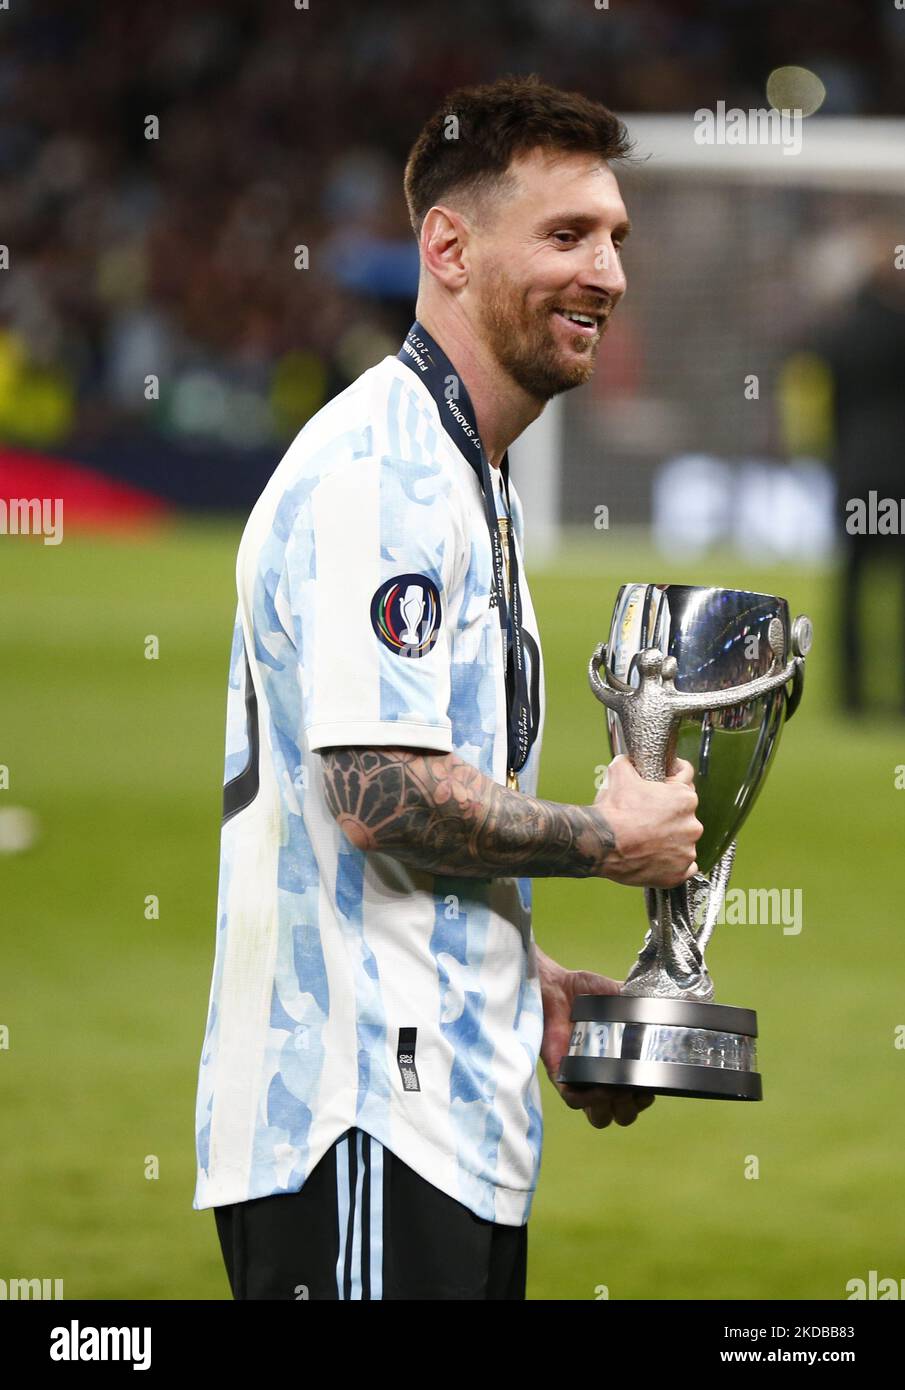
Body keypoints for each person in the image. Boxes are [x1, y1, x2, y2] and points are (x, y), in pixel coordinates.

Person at [193, 73, 702, 1301]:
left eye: (615, 238)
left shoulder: (460, 471)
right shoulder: (388, 474)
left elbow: (376, 829)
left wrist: (516, 981)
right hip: (360, 1123)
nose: (607, 272)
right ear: (449, 248)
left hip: (436, 1115)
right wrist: (609, 838)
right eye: (566, 235)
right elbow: (378, 794)